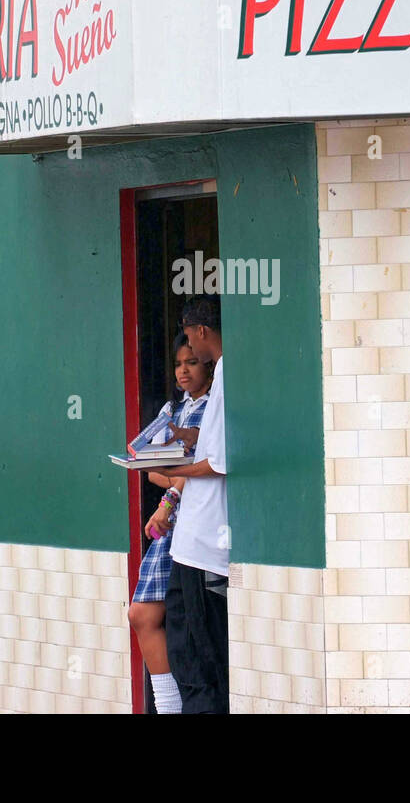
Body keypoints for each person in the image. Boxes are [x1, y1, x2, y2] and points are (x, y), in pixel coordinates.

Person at [129, 333, 213, 714]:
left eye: (192, 362)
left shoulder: (213, 409)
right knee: (142, 614)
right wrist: (179, 475)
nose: (183, 370)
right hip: (170, 527)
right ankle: (168, 706)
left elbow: (201, 468)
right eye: (179, 363)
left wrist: (174, 487)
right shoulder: (170, 411)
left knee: (190, 626)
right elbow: (153, 471)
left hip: (194, 525)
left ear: (208, 367)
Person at [158, 294, 229, 713]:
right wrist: (188, 441)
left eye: (188, 337)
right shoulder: (221, 375)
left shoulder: (226, 376)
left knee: (204, 657)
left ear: (200, 331)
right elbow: (213, 444)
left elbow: (218, 463)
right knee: (183, 643)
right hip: (188, 542)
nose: (189, 349)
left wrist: (170, 469)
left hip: (207, 542)